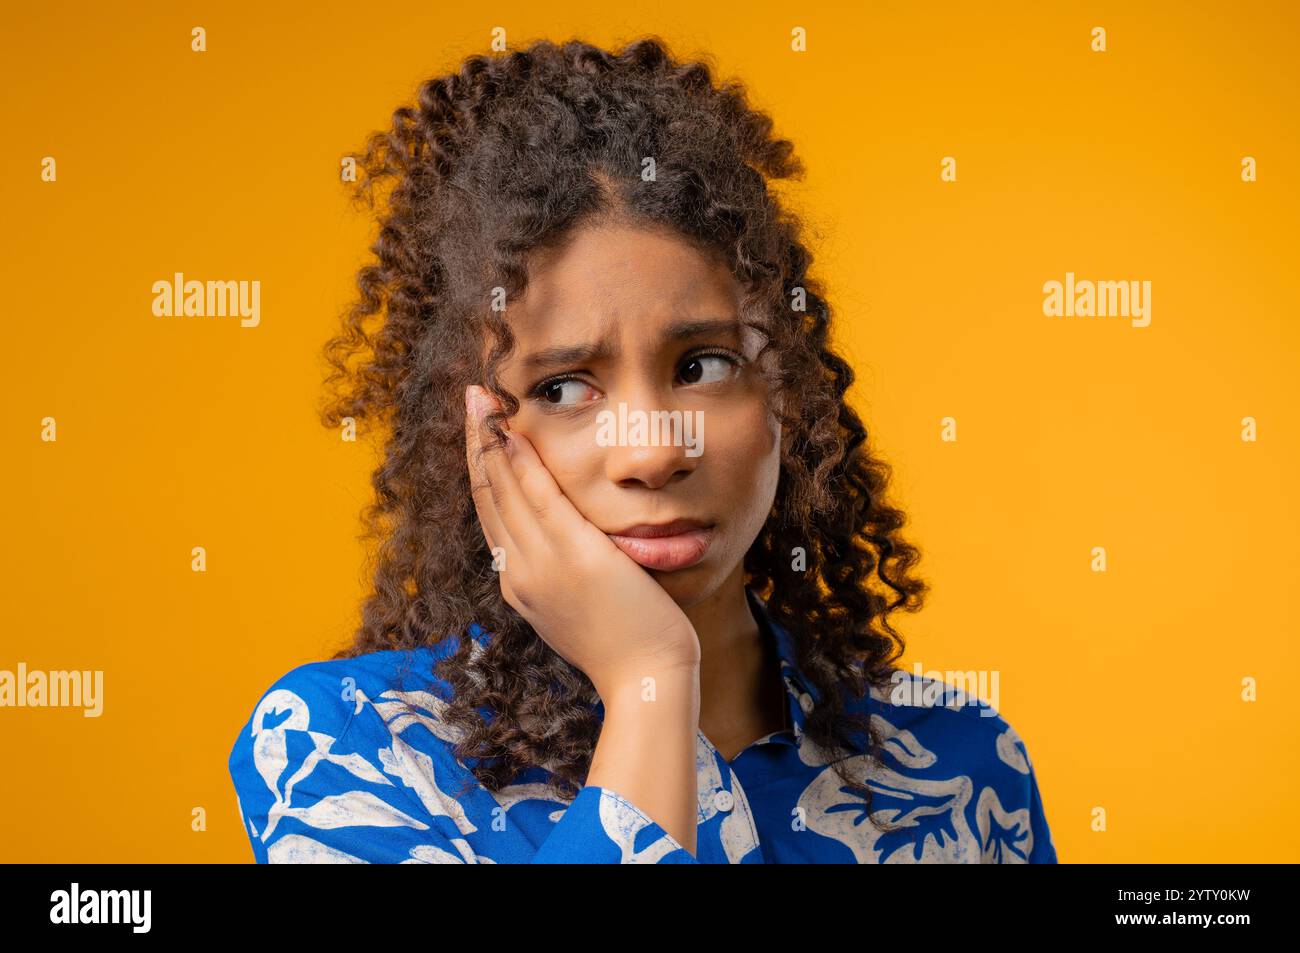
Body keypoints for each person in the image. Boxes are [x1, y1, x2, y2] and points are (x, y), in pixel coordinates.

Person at [227, 35, 1057, 863]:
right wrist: (649, 680)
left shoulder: (963, 771)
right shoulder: (347, 749)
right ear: (474, 428)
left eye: (702, 366)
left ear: (786, 388)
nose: (654, 452)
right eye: (563, 387)